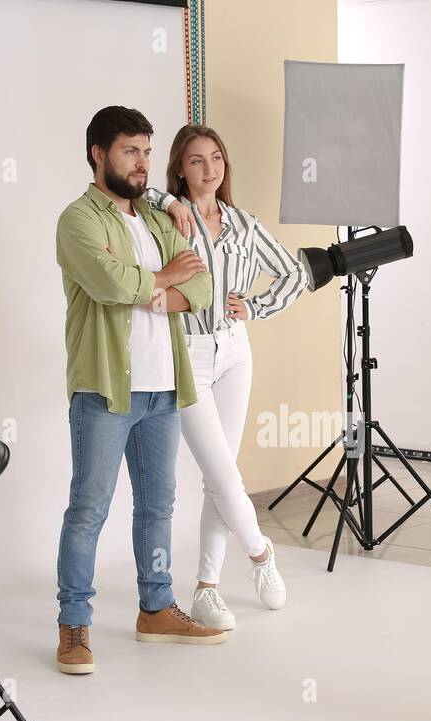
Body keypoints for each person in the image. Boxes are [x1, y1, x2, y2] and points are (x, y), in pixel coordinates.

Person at [54, 105, 227, 676]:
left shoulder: (158, 217)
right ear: (99, 154)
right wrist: (164, 278)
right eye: (131, 151)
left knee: (158, 508)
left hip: (163, 388)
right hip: (106, 390)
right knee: (89, 510)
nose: (142, 163)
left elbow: (200, 284)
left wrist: (161, 286)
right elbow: (108, 283)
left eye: (148, 152)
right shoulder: (78, 220)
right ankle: (74, 625)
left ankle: (155, 607)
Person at [140, 124, 308, 631]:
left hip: (234, 351)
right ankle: (261, 555)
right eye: (196, 160)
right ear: (180, 168)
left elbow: (295, 273)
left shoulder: (242, 224)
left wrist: (254, 306)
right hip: (186, 353)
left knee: (222, 473)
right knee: (222, 473)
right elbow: (134, 192)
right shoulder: (167, 215)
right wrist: (168, 202)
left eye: (216, 158)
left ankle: (207, 589)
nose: (209, 168)